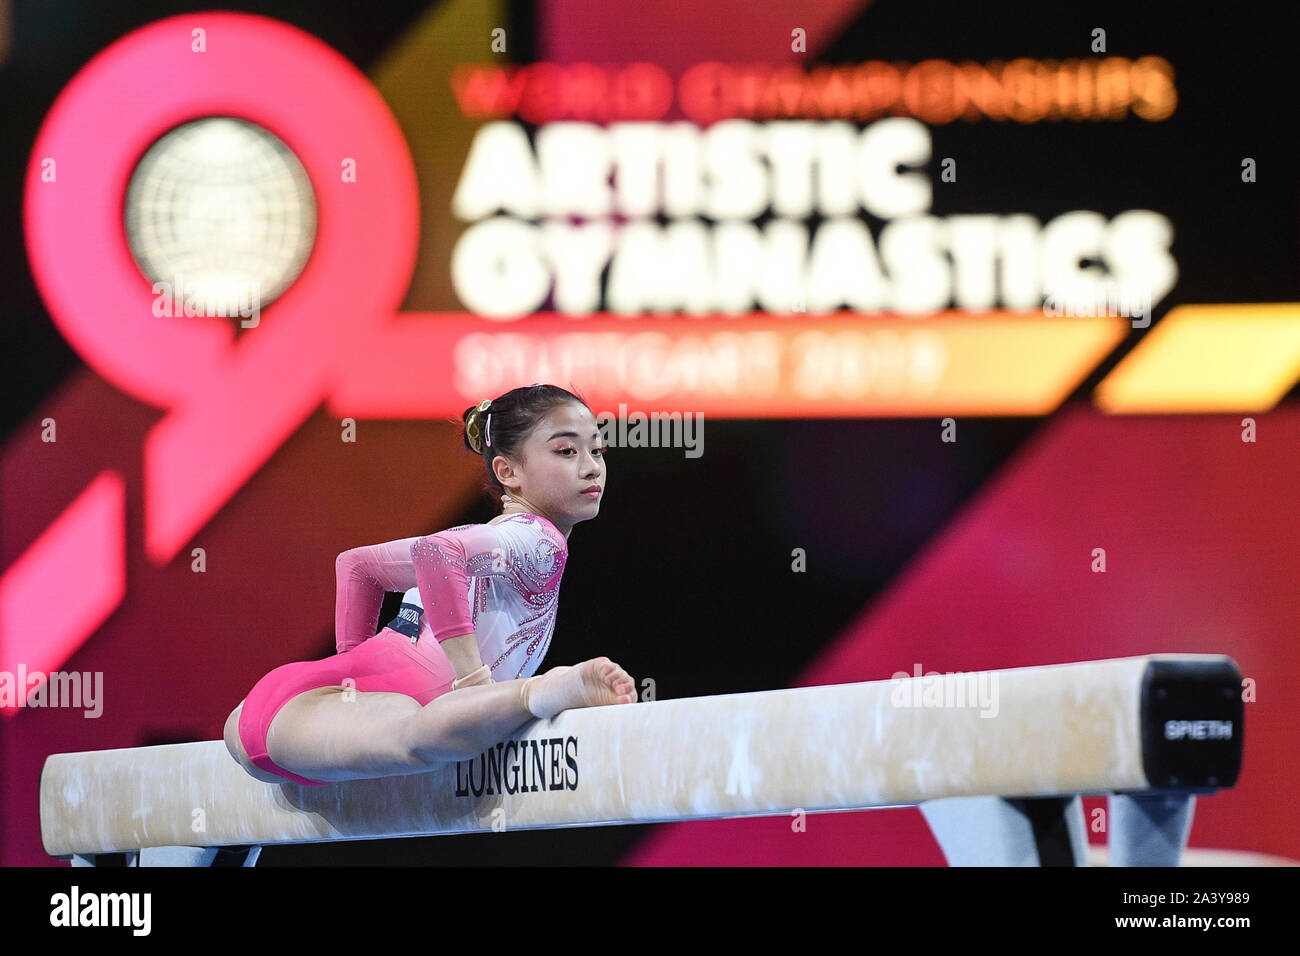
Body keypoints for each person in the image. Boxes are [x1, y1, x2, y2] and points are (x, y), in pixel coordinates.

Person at [223, 384, 634, 786]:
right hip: (317, 722)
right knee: (421, 738)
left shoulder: (491, 539)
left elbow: (359, 567)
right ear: (508, 471)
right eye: (566, 451)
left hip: (281, 711)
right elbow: (437, 554)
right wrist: (473, 685)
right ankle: (539, 693)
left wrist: (353, 679)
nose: (591, 466)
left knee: (418, 732)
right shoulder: (537, 539)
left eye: (596, 449)